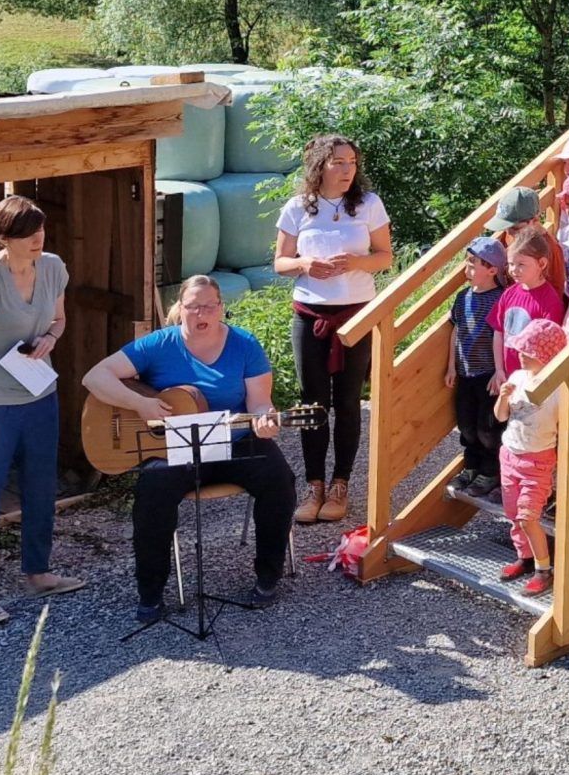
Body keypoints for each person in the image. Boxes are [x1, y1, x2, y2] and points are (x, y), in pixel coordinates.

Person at [82, 276, 295, 625]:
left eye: (209, 306)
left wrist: (265, 419)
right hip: (175, 448)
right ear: (180, 308)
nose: (202, 313)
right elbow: (94, 377)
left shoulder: (244, 344)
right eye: (194, 306)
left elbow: (260, 402)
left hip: (235, 442)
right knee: (151, 494)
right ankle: (150, 594)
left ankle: (267, 577)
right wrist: (140, 403)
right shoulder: (159, 344)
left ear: (221, 308)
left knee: (279, 480)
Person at [0, 195, 86, 627]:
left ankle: (38, 573)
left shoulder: (54, 267)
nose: (38, 238)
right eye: (27, 233)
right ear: (4, 238)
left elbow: (59, 319)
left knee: (42, 489)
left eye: (40, 229)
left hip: (40, 396)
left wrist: (51, 338)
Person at [272, 135, 393, 526]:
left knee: (348, 401)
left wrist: (357, 262)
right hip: (309, 315)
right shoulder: (297, 207)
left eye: (352, 162)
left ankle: (341, 485)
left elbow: (385, 257)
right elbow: (279, 263)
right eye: (339, 162)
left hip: (355, 316)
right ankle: (315, 487)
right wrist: (305, 264)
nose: (347, 170)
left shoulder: (368, 203)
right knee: (312, 403)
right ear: (320, 166)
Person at [494, 318, 568, 597]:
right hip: (510, 455)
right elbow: (501, 416)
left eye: (529, 352)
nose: (521, 355)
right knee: (513, 514)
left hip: (537, 461)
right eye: (521, 349)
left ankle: (543, 570)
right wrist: (503, 397)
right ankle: (524, 557)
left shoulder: (559, 388)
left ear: (546, 356)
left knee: (528, 517)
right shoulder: (518, 377)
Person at [445, 238, 507, 497]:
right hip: (465, 372)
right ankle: (471, 467)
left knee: (487, 428)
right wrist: (451, 366)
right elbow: (456, 330)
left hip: (488, 374)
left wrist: (500, 371)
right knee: (467, 425)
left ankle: (490, 472)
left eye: (473, 263)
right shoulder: (463, 297)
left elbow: (501, 335)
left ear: (492, 269)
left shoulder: (500, 298)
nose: (466, 268)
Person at [489, 226, 568, 379]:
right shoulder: (509, 293)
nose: (513, 270)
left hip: (533, 378)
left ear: (542, 264)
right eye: (511, 264)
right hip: (508, 376)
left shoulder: (550, 301)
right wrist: (499, 370)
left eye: (521, 264)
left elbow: (550, 348)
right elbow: (498, 332)